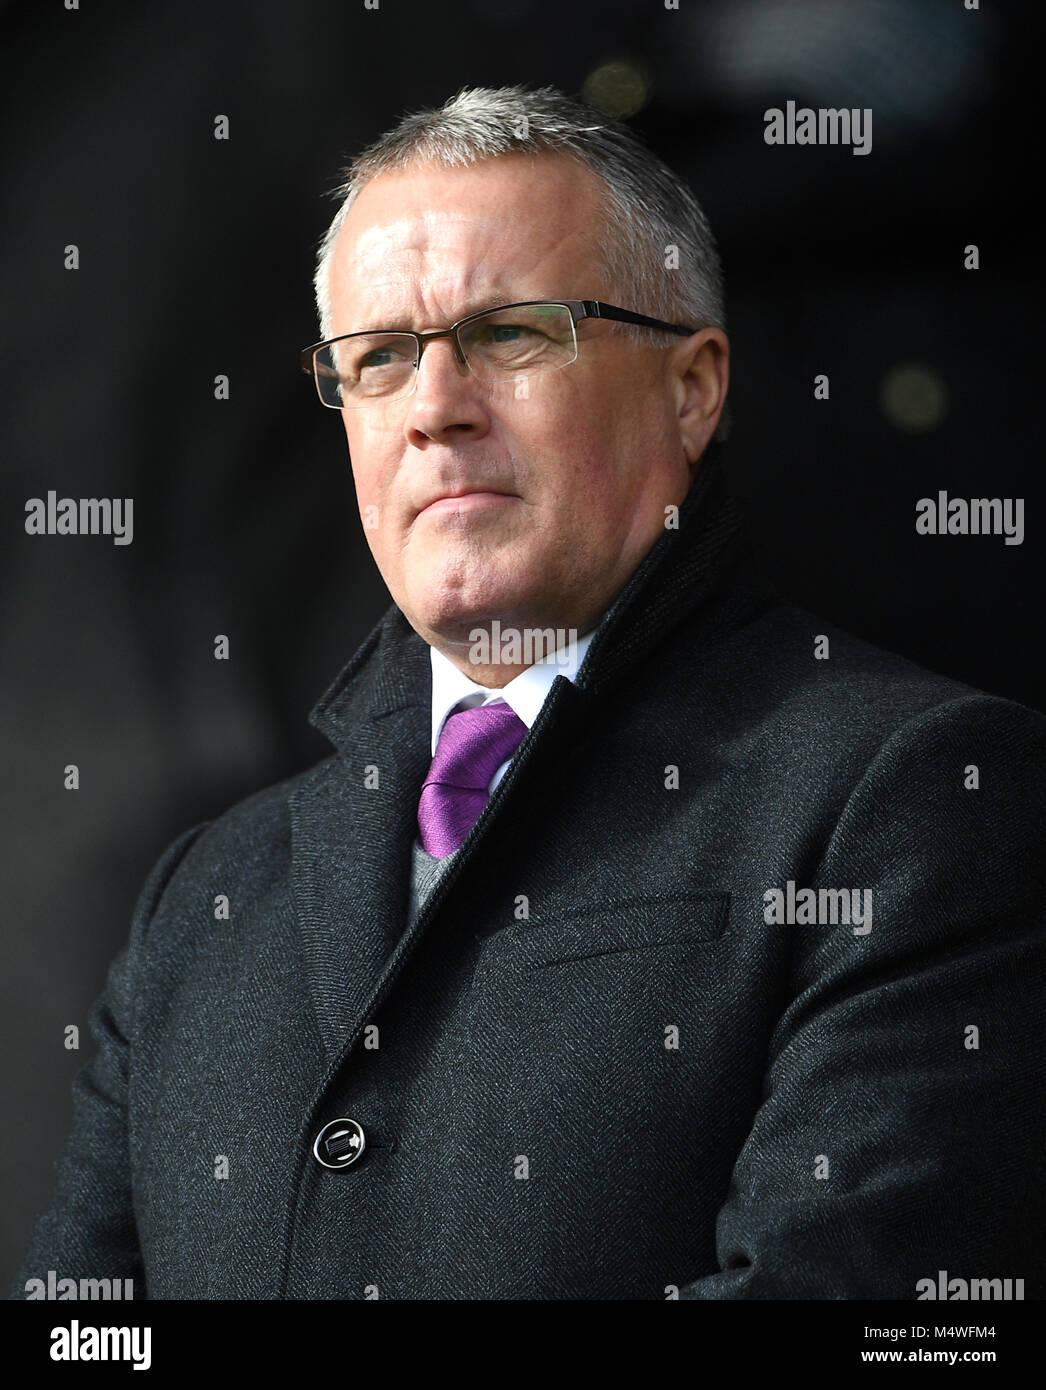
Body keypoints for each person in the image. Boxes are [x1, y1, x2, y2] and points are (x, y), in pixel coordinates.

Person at [12, 84, 1046, 1301]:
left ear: (691, 389)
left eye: (511, 333)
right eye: (381, 359)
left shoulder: (924, 795)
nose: (435, 409)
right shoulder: (205, 894)